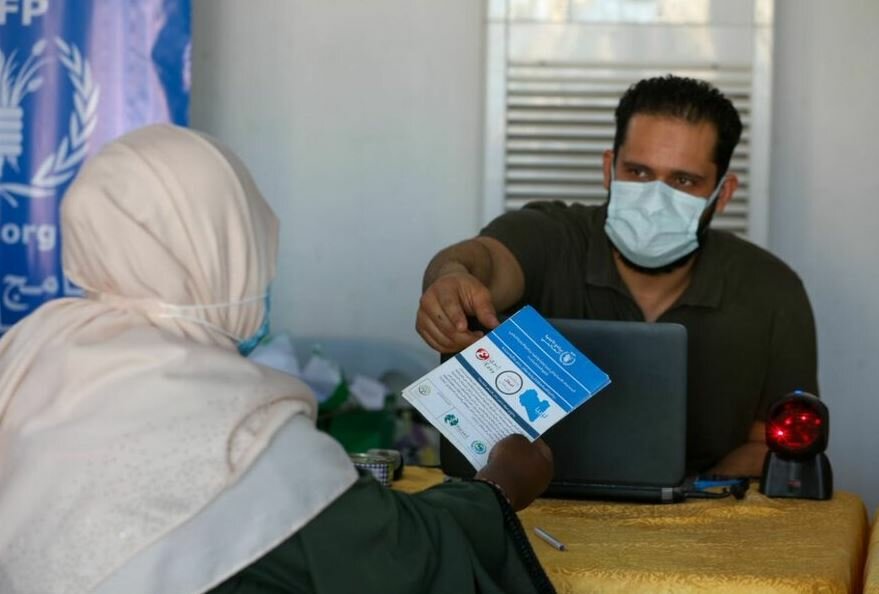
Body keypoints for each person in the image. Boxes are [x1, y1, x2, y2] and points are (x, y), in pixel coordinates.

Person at [0, 125, 556, 594]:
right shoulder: (229, 432)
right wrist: (500, 487)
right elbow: (395, 560)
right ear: (221, 252)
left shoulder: (33, 355)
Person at [416, 75, 818, 478]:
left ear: (723, 193)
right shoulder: (548, 236)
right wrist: (449, 276)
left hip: (698, 523)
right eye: (639, 173)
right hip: (533, 508)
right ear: (610, 170)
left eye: (683, 181)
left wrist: (692, 502)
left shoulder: (773, 291)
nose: (655, 200)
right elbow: (482, 260)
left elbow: (770, 444)